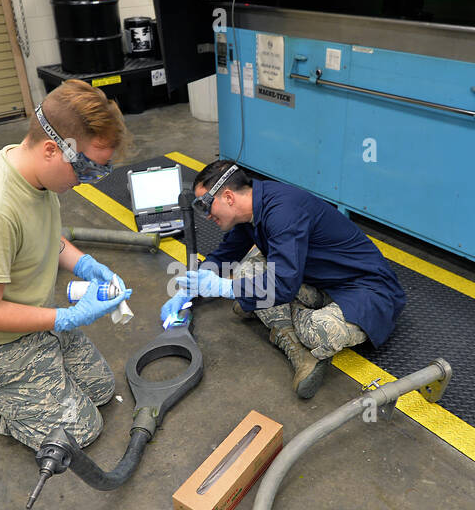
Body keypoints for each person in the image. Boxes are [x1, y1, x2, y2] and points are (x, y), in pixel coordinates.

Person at [0, 79, 133, 449]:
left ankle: (26, 393)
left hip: (33, 321)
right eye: (84, 171)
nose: (85, 182)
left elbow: (46, 237)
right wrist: (65, 318)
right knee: (81, 432)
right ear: (52, 149)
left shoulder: (35, 173)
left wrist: (85, 264)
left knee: (101, 389)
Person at [162, 162, 406, 398]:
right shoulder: (252, 209)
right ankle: (292, 339)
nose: (206, 216)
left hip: (365, 290)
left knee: (318, 333)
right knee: (247, 271)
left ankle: (278, 320)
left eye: (205, 206)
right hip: (315, 279)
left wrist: (229, 288)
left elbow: (284, 285)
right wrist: (188, 290)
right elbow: (227, 254)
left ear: (228, 197)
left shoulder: (282, 212)